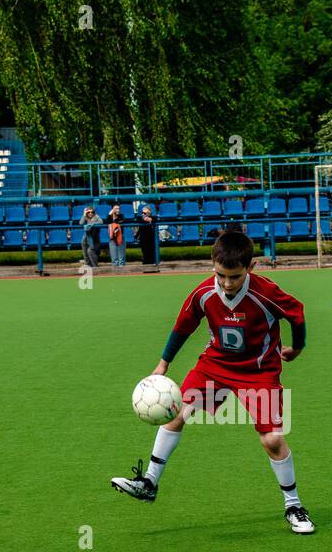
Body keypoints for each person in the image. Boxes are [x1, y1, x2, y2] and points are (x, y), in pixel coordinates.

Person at [110, 229, 316, 534]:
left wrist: (297, 348)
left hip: (259, 371)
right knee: (178, 412)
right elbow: (184, 325)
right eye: (221, 275)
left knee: (272, 439)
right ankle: (149, 483)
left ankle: (293, 505)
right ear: (212, 264)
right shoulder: (204, 292)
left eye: (235, 276)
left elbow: (296, 314)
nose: (227, 283)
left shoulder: (265, 292)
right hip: (215, 365)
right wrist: (163, 364)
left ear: (251, 267)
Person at [137, 203, 159, 268]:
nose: (143, 214)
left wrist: (150, 219)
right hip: (143, 237)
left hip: (151, 236)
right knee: (145, 251)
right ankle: (145, 266)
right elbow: (140, 220)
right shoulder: (139, 217)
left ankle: (153, 266)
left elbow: (154, 219)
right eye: (142, 212)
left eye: (145, 212)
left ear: (149, 212)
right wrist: (145, 219)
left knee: (152, 251)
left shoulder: (153, 217)